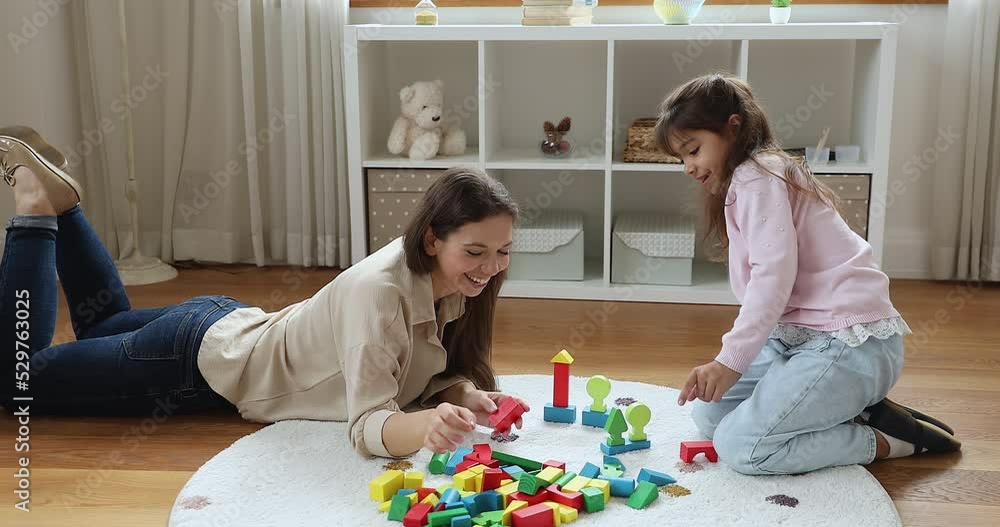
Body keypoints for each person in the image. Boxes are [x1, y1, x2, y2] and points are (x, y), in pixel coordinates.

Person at [0, 127, 528, 458]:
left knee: (97, 325)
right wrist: (424, 426)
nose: (490, 267)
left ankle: (67, 210)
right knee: (14, 381)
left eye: (502, 251)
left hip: (222, 325)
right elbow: (367, 426)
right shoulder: (380, 298)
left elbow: (417, 360)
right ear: (434, 238)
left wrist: (459, 392)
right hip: (193, 367)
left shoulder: (436, 275)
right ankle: (35, 210)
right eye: (476, 251)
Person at [653, 75, 960, 475]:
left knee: (743, 448)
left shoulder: (756, 176)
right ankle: (853, 410)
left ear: (733, 127)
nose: (689, 168)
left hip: (848, 344)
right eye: (682, 158)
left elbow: (771, 279)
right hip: (798, 338)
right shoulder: (752, 179)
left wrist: (729, 360)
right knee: (710, 417)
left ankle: (888, 440)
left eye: (693, 150)